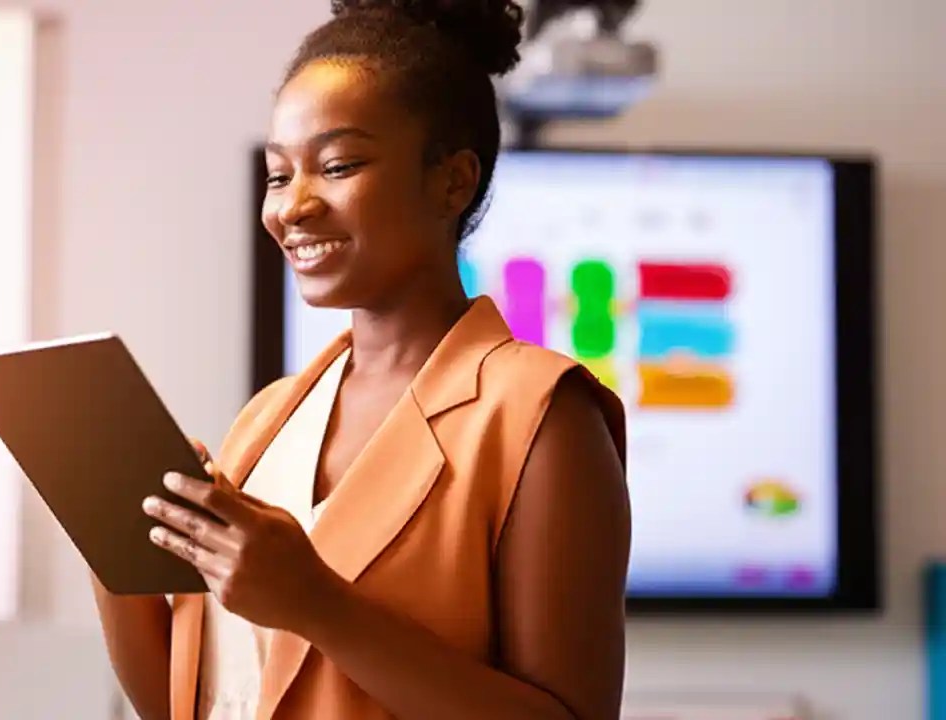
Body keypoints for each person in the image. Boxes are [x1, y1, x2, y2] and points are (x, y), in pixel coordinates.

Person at [92, 1, 631, 718]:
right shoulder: (268, 422)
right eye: (280, 175)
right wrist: (105, 537)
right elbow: (190, 703)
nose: (293, 207)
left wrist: (318, 606)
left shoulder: (540, 417)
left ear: (453, 181)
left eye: (338, 165)